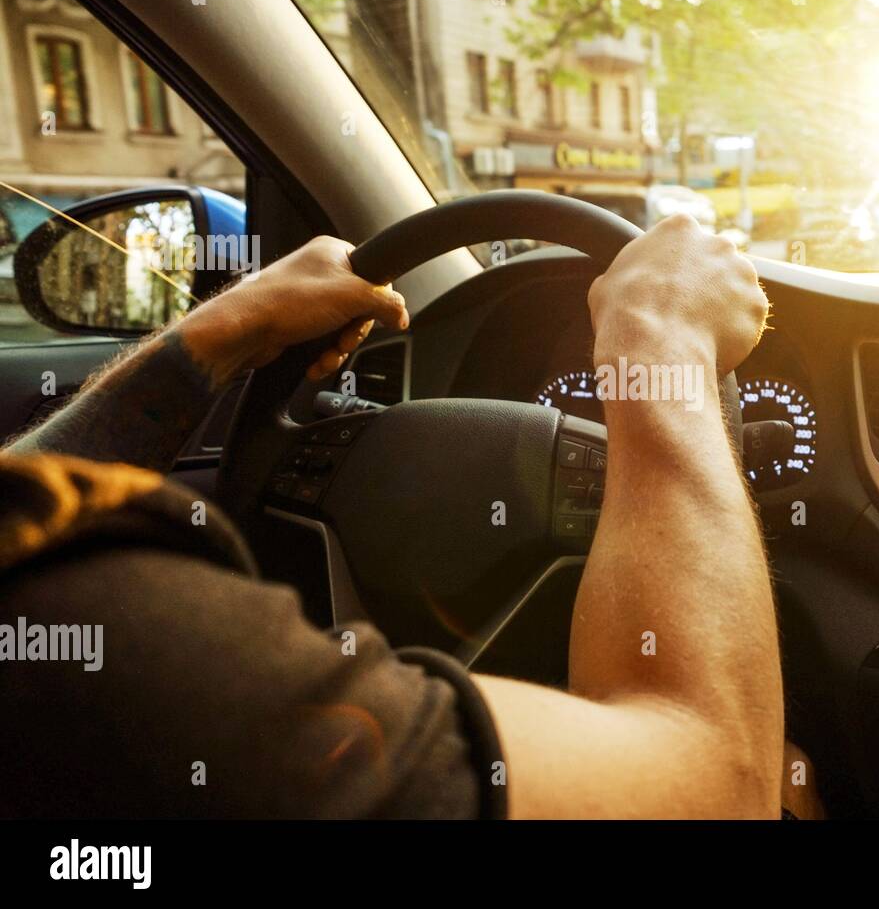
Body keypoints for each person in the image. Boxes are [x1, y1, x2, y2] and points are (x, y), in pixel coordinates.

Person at [0, 214, 786, 819]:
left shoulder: (50, 600)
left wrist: (225, 328)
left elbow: (30, 506)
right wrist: (659, 341)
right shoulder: (128, 666)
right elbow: (719, 785)